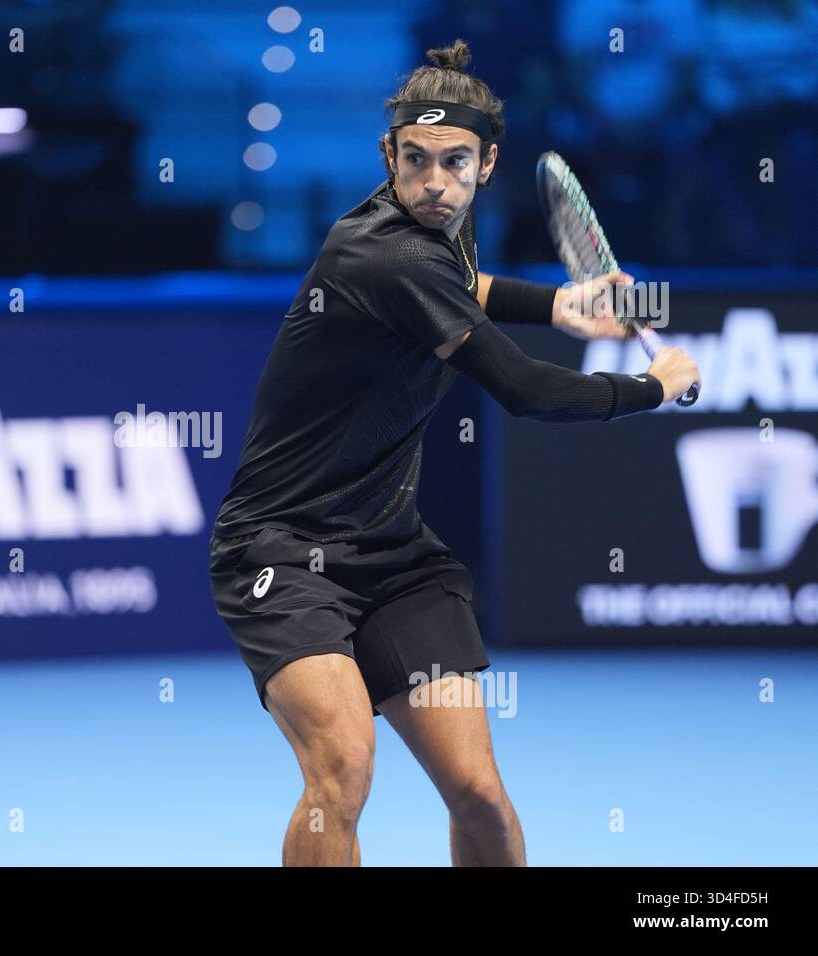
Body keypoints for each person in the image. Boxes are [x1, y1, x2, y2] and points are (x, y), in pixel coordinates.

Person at [208, 38, 701, 867]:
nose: (434, 182)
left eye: (455, 162)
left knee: (479, 797)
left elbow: (461, 286)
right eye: (416, 161)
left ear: (487, 162)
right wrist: (650, 387)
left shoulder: (436, 233)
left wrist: (561, 307)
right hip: (282, 553)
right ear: (388, 156)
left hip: (396, 557)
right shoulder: (378, 249)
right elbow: (524, 390)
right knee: (343, 770)